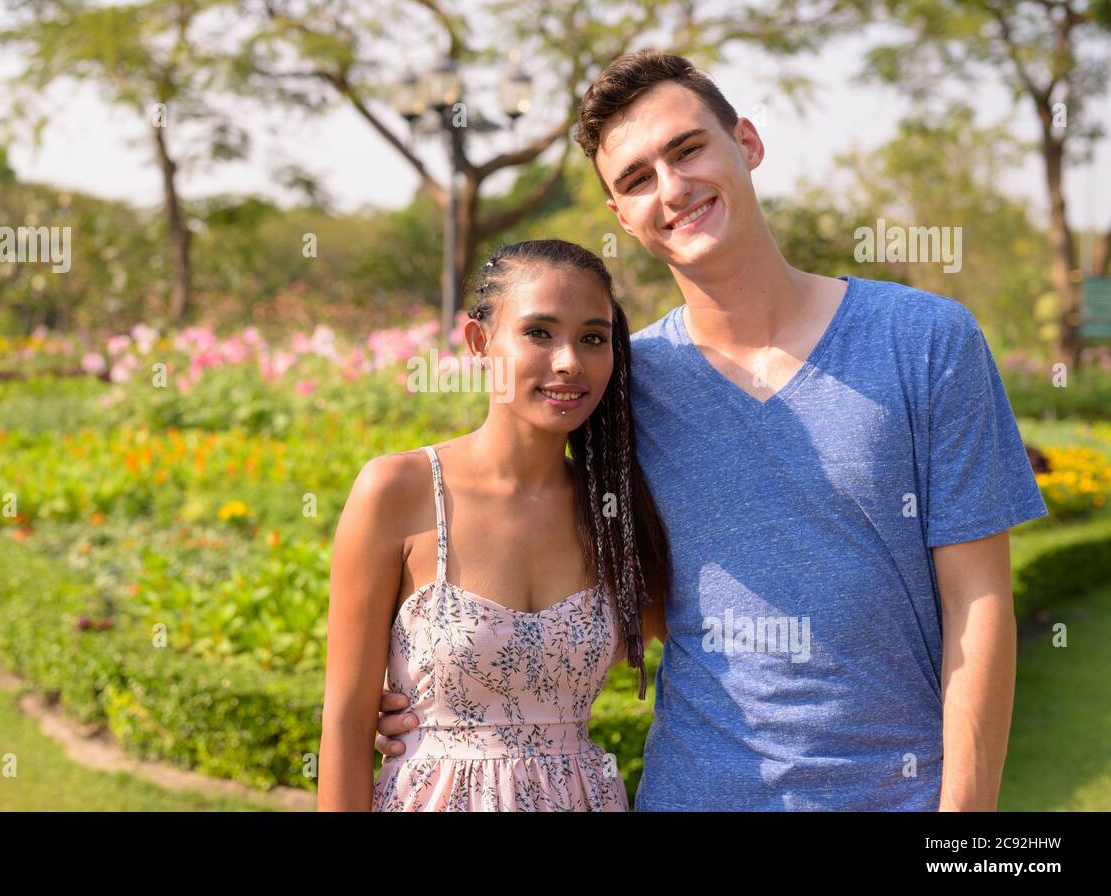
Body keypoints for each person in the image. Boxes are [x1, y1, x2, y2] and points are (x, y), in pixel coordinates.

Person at [374, 50, 1049, 811]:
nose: (672, 187)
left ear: (747, 144)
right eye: (635, 179)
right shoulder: (621, 382)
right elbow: (522, 516)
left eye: (688, 148)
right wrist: (417, 690)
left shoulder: (925, 340)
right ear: (621, 218)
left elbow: (980, 600)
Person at [317, 238, 670, 811]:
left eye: (593, 338)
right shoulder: (397, 491)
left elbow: (707, 647)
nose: (568, 362)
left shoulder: (616, 513)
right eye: (539, 332)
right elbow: (346, 723)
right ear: (480, 342)